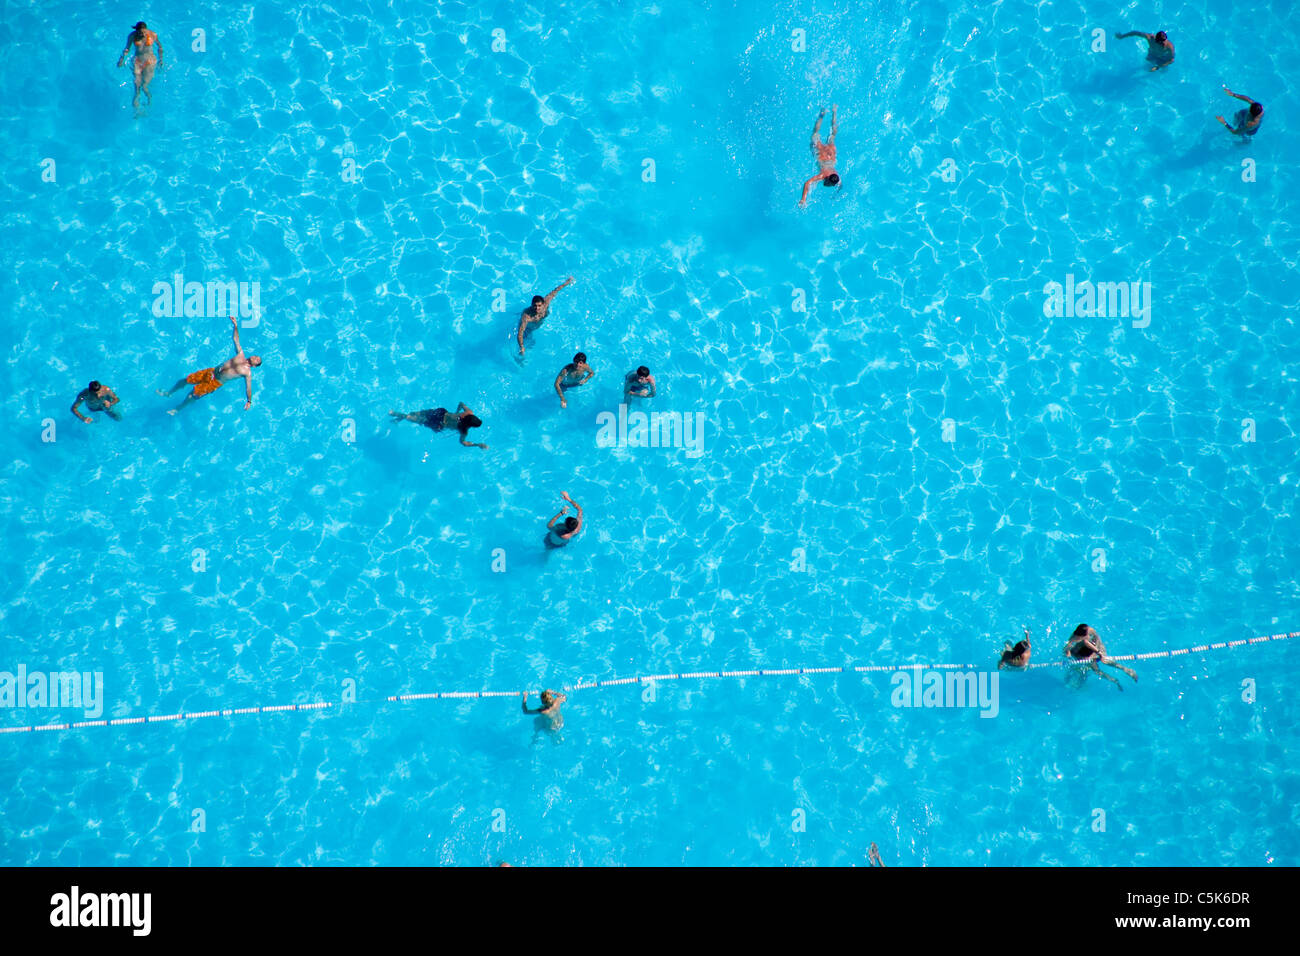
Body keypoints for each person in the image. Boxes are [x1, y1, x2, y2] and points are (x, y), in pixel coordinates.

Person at [158, 316, 261, 414]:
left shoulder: (247, 372)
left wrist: (249, 401)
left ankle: (178, 409)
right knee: (186, 380)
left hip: (215, 382)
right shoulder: (241, 354)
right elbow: (236, 339)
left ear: (255, 366)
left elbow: (248, 387)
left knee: (192, 396)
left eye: (257, 360)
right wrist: (235, 325)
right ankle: (169, 393)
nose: (255, 357)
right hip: (210, 372)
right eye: (256, 356)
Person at [1064, 624, 1138, 688]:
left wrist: (1099, 653)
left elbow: (1093, 642)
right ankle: (1116, 678)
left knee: (1099, 666)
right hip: (1088, 649)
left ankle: (1122, 672)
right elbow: (1068, 647)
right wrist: (1068, 654)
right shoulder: (1077, 636)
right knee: (1096, 668)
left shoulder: (1088, 633)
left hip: (1096, 647)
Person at [389, 402, 488, 449]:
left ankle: (398, 418)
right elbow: (463, 443)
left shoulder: (469, 412)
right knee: (414, 419)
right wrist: (478, 445)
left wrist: (456, 412)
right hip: (438, 424)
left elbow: (461, 403)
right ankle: (395, 414)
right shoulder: (463, 429)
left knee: (419, 414)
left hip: (440, 413)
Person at [517, 277, 574, 356]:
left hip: (539, 322)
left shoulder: (546, 302)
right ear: (531, 305)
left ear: (543, 304)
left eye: (539, 306)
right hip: (529, 327)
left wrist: (567, 282)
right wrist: (521, 347)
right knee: (528, 340)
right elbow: (520, 332)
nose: (537, 308)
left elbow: (555, 291)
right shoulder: (526, 316)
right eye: (535, 306)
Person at [116, 21, 164, 110]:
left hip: (150, 60)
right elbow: (127, 49)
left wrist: (161, 60)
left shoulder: (153, 34)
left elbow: (160, 48)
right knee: (137, 84)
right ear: (136, 30)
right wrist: (121, 59)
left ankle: (149, 103)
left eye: (144, 31)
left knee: (145, 84)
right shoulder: (132, 36)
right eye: (140, 32)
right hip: (137, 61)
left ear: (146, 29)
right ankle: (136, 107)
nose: (142, 34)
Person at [799, 105, 840, 207]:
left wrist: (837, 193)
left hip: (831, 152)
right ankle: (823, 114)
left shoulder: (837, 177)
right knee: (815, 134)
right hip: (821, 151)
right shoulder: (822, 176)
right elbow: (807, 183)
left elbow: (839, 184)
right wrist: (803, 199)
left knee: (833, 135)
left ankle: (833, 111)